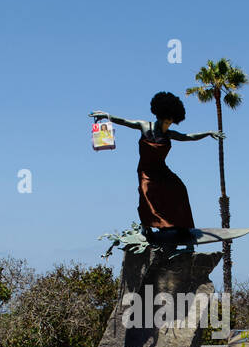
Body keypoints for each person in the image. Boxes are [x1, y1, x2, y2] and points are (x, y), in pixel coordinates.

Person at [89, 93, 223, 241]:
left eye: (171, 123)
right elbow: (124, 121)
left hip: (162, 170)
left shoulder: (169, 134)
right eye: (166, 122)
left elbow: (188, 137)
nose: (168, 125)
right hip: (146, 171)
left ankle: (181, 227)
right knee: (146, 194)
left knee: (179, 189)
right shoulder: (144, 126)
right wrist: (107, 116)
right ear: (159, 117)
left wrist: (208, 133)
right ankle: (146, 227)